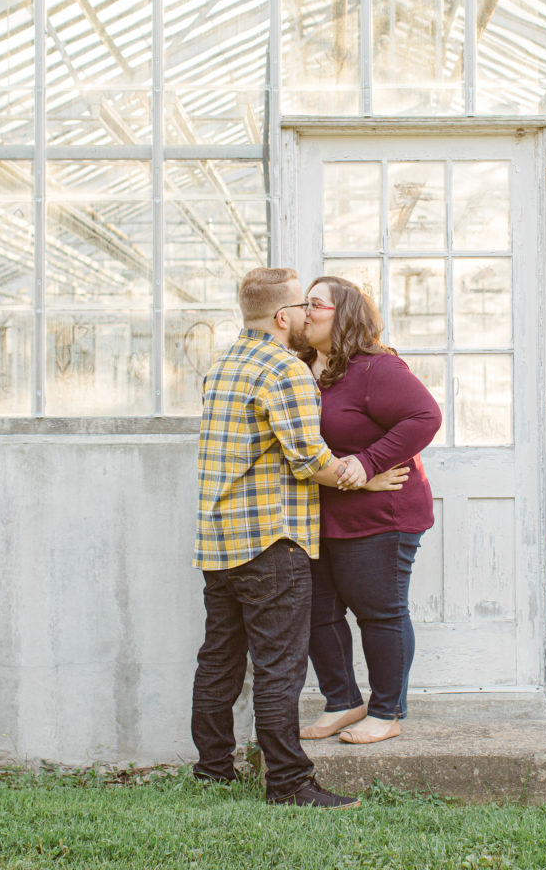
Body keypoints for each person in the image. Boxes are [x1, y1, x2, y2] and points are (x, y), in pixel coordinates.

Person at [192, 267, 372, 809]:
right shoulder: (284, 369)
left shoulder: (221, 366)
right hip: (272, 541)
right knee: (279, 666)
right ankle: (289, 783)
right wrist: (364, 471)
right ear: (282, 316)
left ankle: (213, 770)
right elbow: (308, 459)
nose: (306, 315)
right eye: (301, 307)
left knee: (219, 658)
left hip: (220, 540)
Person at [296, 275, 442, 746]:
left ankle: (386, 711)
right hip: (320, 514)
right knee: (319, 612)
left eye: (315, 304)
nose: (305, 311)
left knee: (380, 613)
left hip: (382, 515)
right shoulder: (298, 369)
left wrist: (368, 462)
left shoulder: (375, 368)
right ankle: (342, 702)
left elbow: (425, 416)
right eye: (303, 303)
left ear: (344, 316)